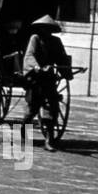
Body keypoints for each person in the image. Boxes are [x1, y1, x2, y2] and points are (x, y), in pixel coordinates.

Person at [22, 14, 69, 150]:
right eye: (44, 29)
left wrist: (67, 71)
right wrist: (36, 66)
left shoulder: (56, 42)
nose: (46, 32)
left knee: (51, 108)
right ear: (40, 29)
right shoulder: (35, 39)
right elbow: (29, 55)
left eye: (49, 29)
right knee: (32, 109)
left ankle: (49, 139)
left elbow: (62, 57)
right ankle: (24, 129)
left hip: (49, 78)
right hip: (35, 78)